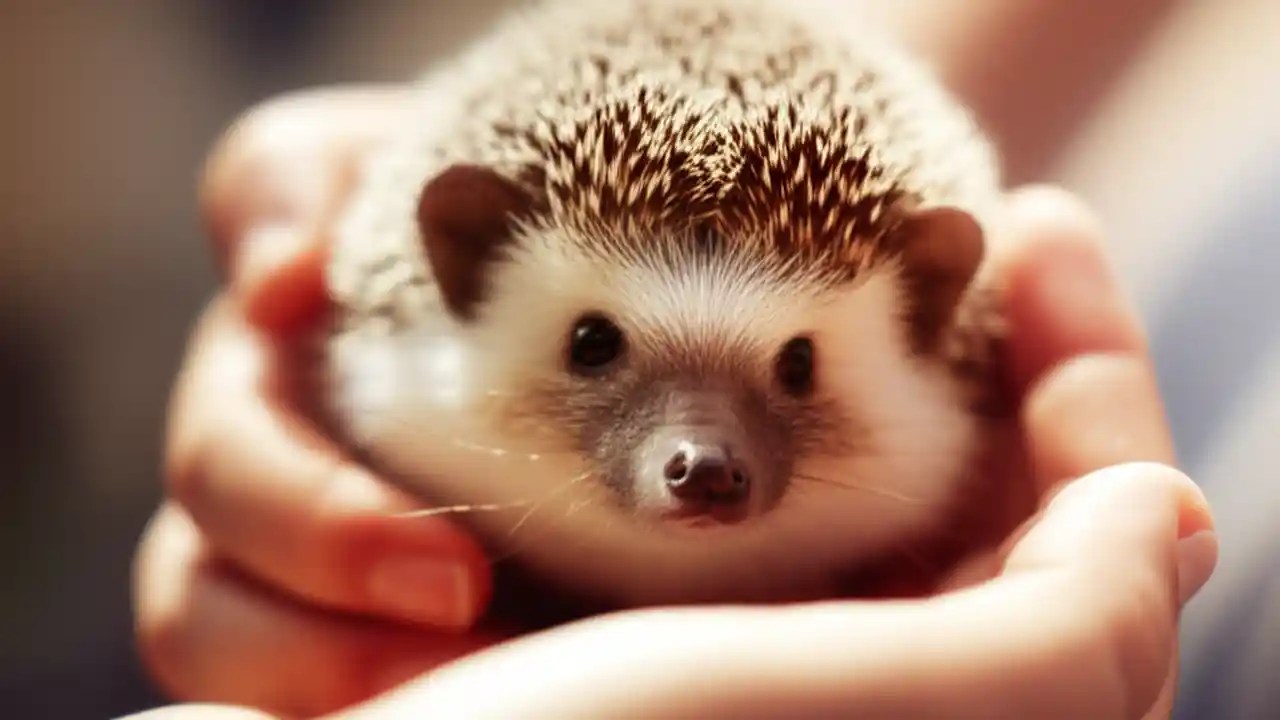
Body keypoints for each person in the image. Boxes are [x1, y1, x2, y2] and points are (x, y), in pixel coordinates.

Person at [128, 3, 1217, 717]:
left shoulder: (965, 467)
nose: (702, 454)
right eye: (596, 347)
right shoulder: (392, 383)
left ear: (927, 309)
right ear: (464, 266)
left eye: (794, 369)